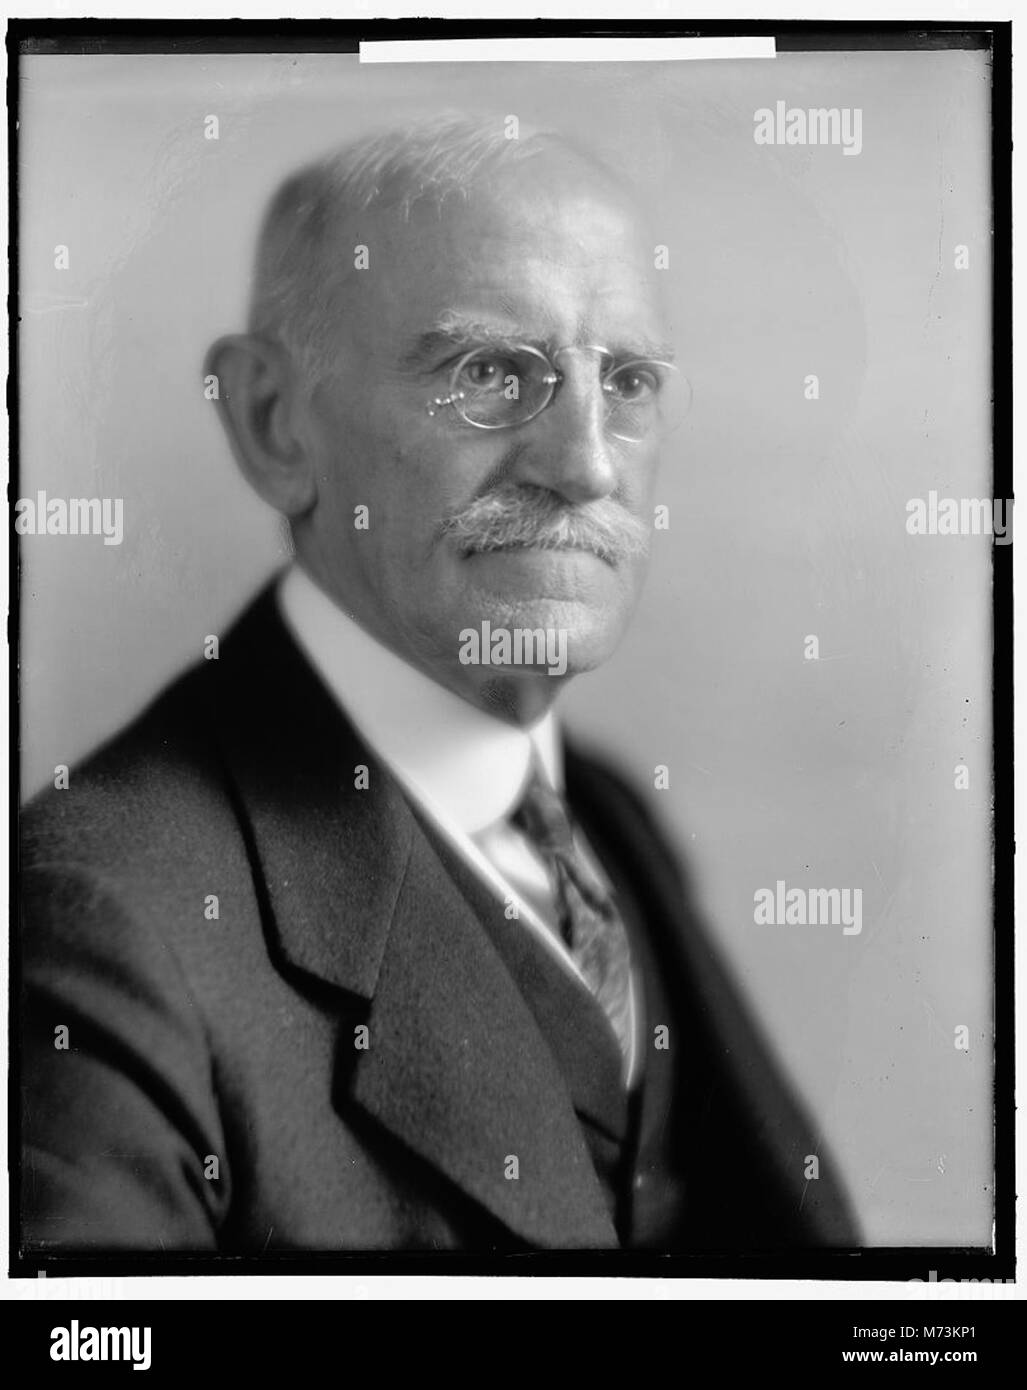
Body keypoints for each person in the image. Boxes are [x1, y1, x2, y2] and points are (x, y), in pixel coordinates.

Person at [19, 115, 859, 1254]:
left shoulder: (607, 819)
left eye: (628, 381)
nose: (587, 463)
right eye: (488, 373)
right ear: (275, 424)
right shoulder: (103, 921)